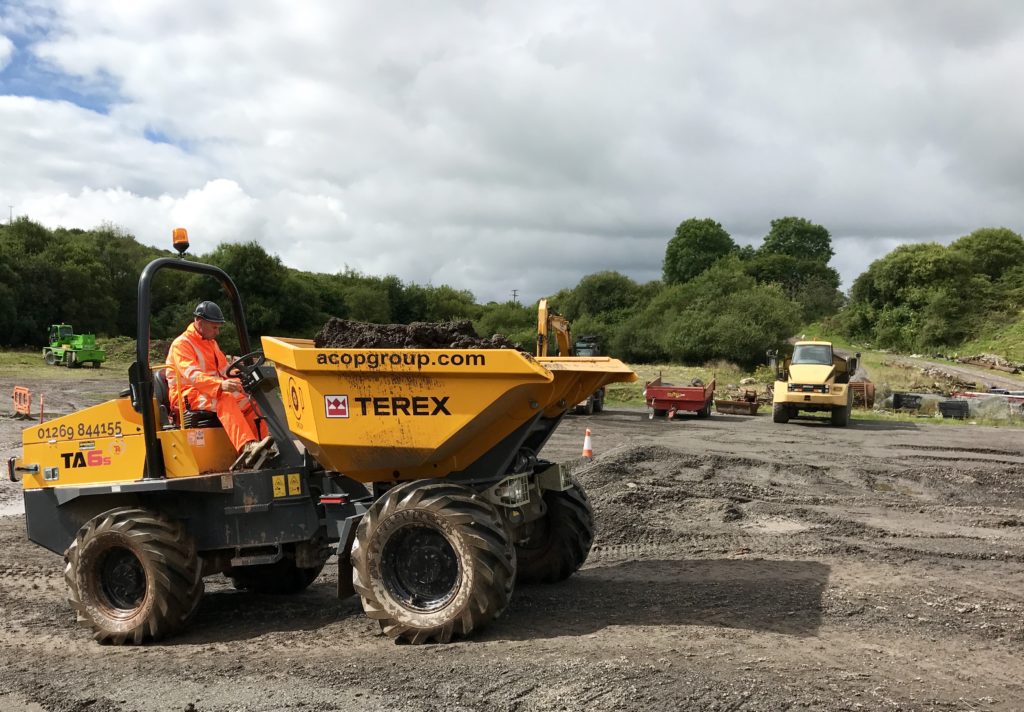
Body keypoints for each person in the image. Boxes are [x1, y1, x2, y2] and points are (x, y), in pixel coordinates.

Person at [166, 300, 275, 469]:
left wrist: (245, 378)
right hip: (187, 395)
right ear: (199, 322)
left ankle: (262, 448)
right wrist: (219, 385)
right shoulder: (182, 344)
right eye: (214, 327)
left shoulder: (211, 343)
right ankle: (247, 446)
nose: (217, 331)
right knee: (224, 398)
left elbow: (225, 369)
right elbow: (193, 375)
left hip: (208, 390)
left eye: (218, 327)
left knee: (251, 401)